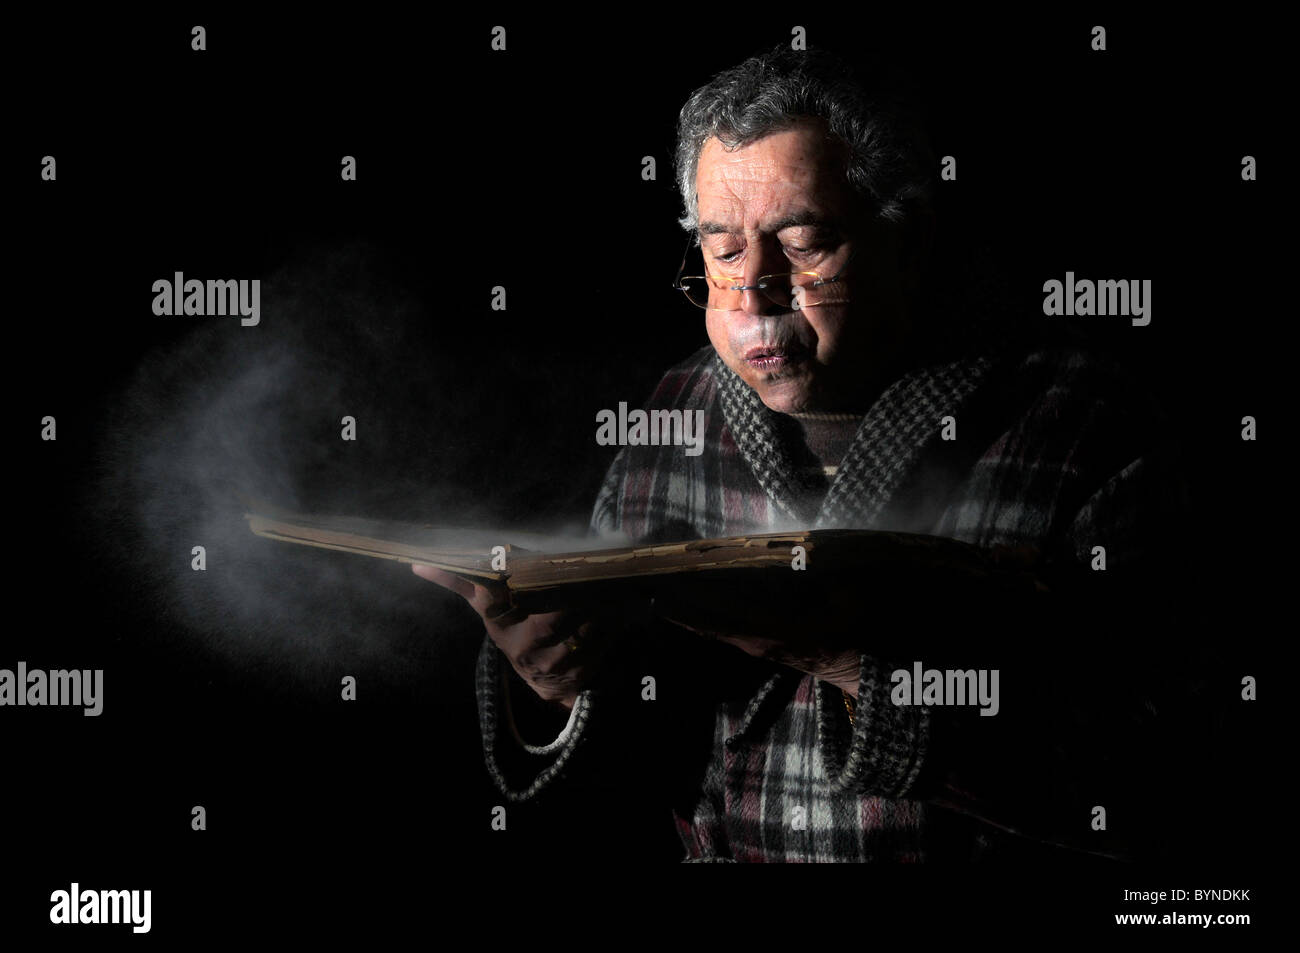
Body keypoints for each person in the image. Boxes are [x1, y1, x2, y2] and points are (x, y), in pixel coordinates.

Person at [413, 48, 1193, 862]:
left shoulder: (1081, 425)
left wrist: (845, 657)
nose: (754, 291)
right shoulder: (678, 411)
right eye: (722, 250)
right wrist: (557, 683)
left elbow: (1163, 777)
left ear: (910, 237)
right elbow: (624, 778)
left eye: (805, 244)